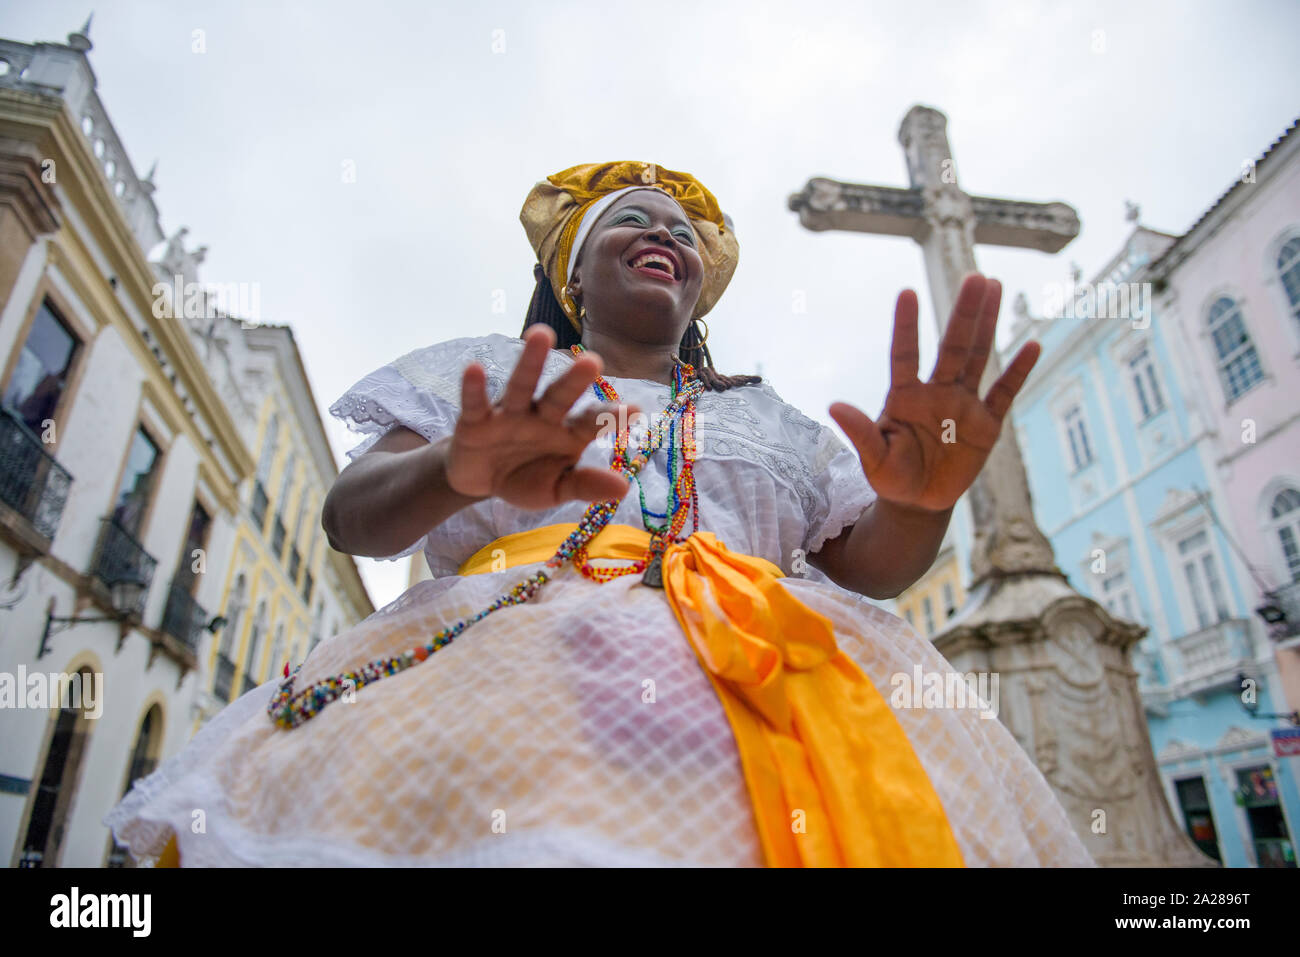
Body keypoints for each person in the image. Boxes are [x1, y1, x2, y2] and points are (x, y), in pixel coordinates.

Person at [105, 161, 1094, 867]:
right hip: (501, 692)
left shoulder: (771, 418)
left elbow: (868, 565)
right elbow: (351, 521)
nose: (663, 233)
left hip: (779, 704)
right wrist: (459, 466)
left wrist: (917, 506)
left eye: (680, 229)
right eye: (631, 220)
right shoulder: (482, 374)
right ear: (572, 273)